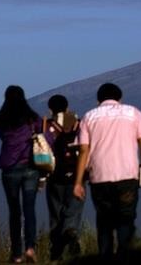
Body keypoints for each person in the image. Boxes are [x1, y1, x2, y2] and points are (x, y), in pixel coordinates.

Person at [73, 82, 141, 261]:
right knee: (126, 218)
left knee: (104, 221)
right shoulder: (133, 113)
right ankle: (124, 253)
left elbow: (84, 150)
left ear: (98, 99)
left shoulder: (89, 117)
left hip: (99, 177)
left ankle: (105, 256)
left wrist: (78, 182)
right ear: (120, 98)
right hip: (127, 176)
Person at [0, 85, 42, 264]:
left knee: (14, 211)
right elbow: (41, 134)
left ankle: (16, 254)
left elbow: (3, 137)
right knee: (30, 209)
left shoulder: (2, 118)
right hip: (30, 167)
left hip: (10, 168)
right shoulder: (32, 118)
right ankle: (31, 248)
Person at [44, 94, 84, 261]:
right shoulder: (78, 123)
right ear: (67, 107)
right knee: (73, 210)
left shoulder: (48, 126)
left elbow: (43, 150)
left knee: (55, 213)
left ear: (51, 109)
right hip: (77, 175)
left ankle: (56, 250)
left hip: (54, 176)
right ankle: (71, 232)